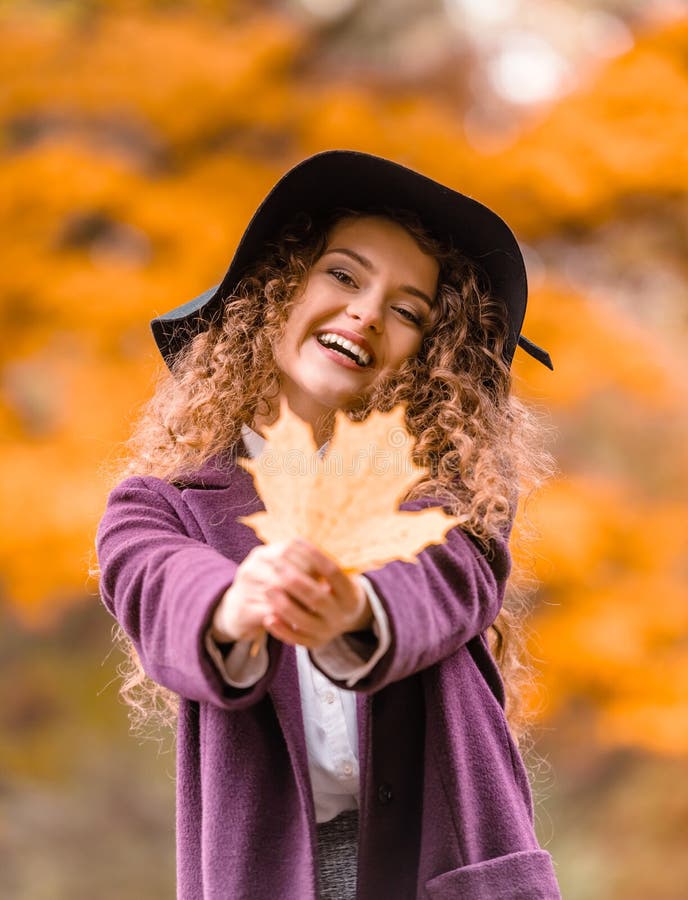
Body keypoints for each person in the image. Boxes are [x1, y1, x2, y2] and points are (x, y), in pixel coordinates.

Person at [96, 150, 562, 899]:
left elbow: (445, 569)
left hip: (445, 875)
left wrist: (358, 606)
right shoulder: (158, 507)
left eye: (409, 310)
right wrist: (234, 602)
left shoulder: (453, 492)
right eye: (343, 275)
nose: (367, 312)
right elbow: (153, 579)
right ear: (277, 291)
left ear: (429, 354)